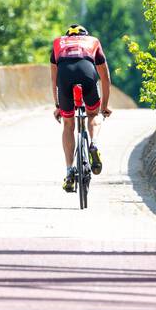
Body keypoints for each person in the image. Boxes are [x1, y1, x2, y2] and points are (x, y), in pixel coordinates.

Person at [50, 24, 112, 192]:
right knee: (92, 114)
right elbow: (105, 78)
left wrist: (58, 105)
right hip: (87, 73)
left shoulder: (58, 43)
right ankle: (94, 143)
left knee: (68, 125)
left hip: (65, 76)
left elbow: (54, 80)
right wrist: (104, 107)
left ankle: (69, 171)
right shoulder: (93, 41)